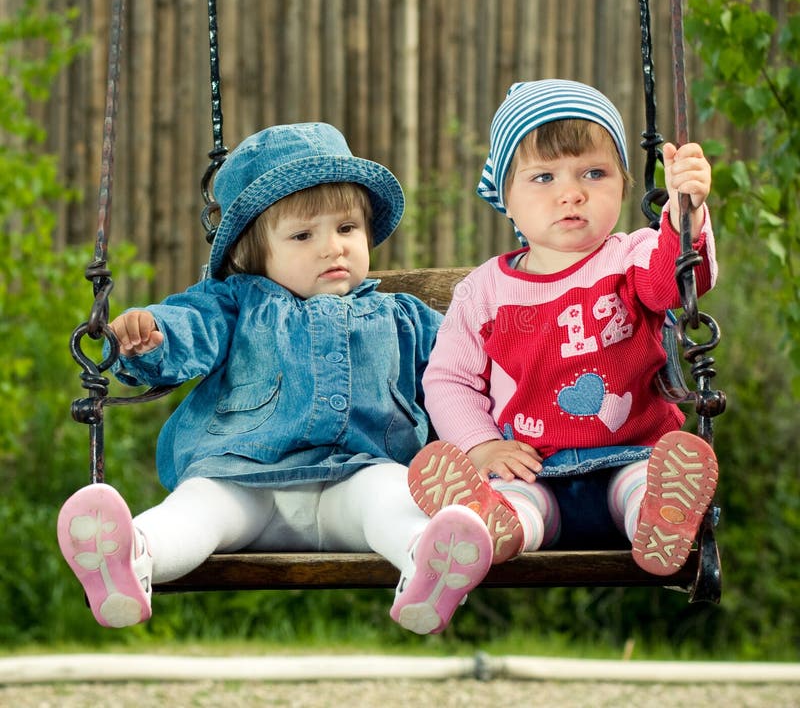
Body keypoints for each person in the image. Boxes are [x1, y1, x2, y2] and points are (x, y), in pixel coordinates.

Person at [57, 122, 493, 635]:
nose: (332, 248)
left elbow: (468, 370)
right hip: (242, 481)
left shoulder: (405, 317)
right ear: (252, 254)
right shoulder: (236, 303)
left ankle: (430, 564)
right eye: (304, 235)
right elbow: (188, 327)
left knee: (395, 496)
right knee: (195, 511)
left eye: (347, 229)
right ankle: (128, 559)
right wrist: (150, 333)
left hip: (355, 479)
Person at [411, 79, 719, 575]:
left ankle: (660, 522)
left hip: (633, 456)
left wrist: (687, 213)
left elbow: (679, 283)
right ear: (504, 197)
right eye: (543, 178)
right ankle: (490, 530)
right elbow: (450, 380)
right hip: (536, 470)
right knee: (519, 505)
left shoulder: (633, 255)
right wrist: (482, 444)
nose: (571, 194)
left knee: (644, 488)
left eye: (593, 173)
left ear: (623, 185)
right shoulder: (484, 292)